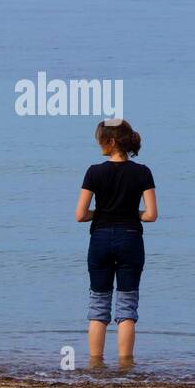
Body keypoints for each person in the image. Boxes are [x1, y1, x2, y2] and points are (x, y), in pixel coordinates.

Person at [75, 118, 158, 369]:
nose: (98, 143)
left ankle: (96, 364)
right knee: (127, 305)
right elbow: (151, 214)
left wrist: (100, 214)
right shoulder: (143, 172)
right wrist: (131, 214)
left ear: (110, 142)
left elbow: (80, 215)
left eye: (101, 139)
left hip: (100, 239)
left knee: (98, 304)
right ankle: (125, 365)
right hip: (131, 238)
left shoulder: (94, 171)